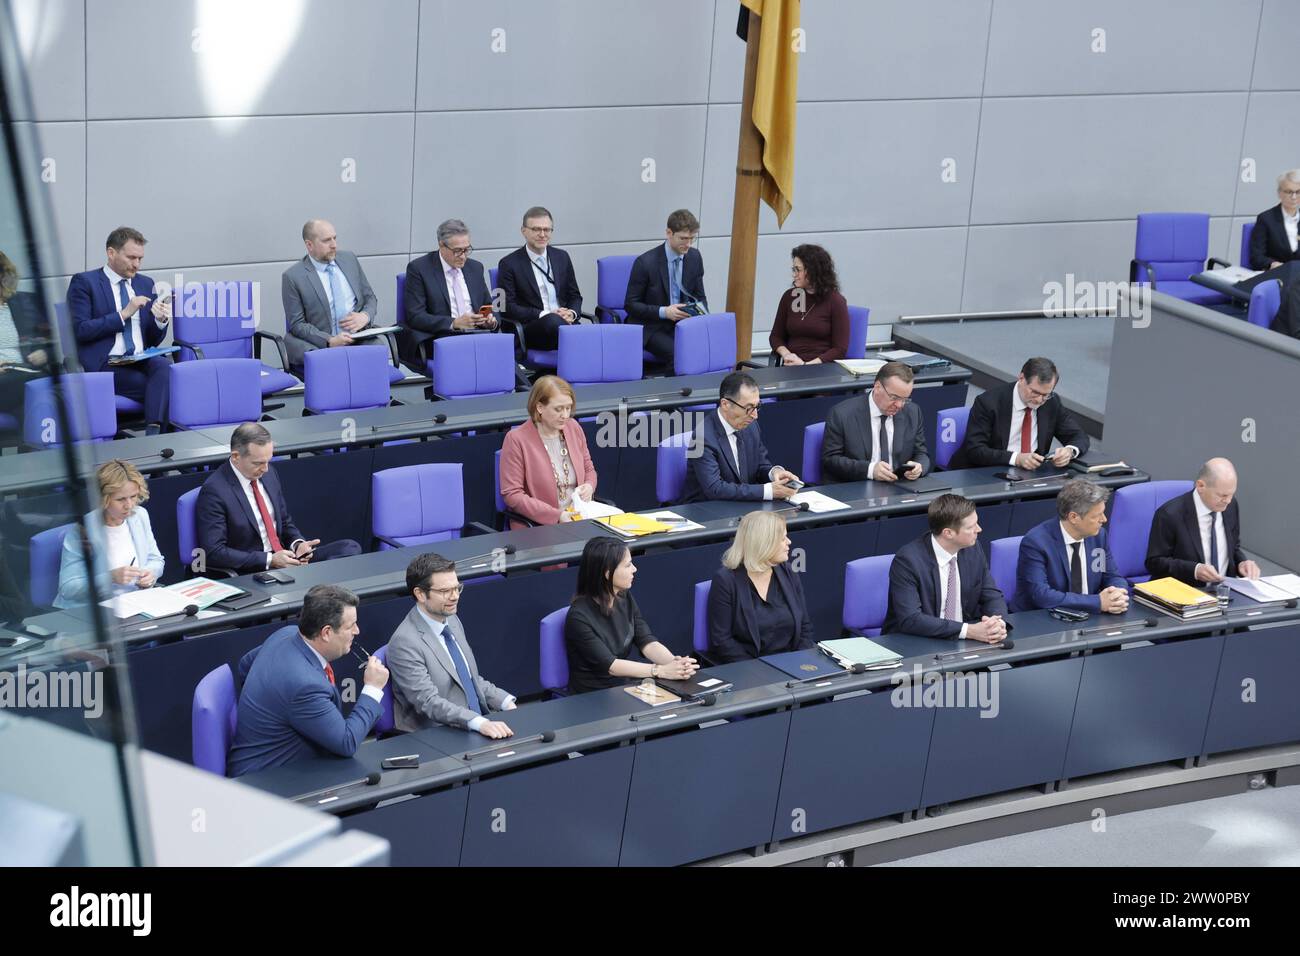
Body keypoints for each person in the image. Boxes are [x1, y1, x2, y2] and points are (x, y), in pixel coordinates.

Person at [228, 584, 388, 777]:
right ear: (326, 632)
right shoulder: (304, 685)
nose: (357, 631)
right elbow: (347, 742)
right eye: (350, 626)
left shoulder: (285, 635)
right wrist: (373, 688)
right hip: (267, 781)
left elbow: (245, 665)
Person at [195, 422, 362, 574]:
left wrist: (297, 545)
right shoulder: (214, 491)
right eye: (258, 463)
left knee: (349, 547)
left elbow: (284, 522)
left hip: (286, 558)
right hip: (255, 570)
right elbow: (214, 552)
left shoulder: (269, 475)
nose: (265, 469)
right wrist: (270, 560)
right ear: (236, 457)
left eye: (269, 460)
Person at [386, 553, 517, 738]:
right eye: (445, 591)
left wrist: (505, 702)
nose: (454, 596)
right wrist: (479, 723)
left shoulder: (452, 620)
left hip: (472, 722)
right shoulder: (404, 643)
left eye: (457, 588)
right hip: (438, 733)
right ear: (420, 594)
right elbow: (428, 702)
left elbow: (469, 679)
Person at [66, 226, 172, 432]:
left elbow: (152, 339)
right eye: (131, 257)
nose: (137, 265)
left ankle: (154, 432)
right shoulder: (85, 282)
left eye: (140, 258)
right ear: (111, 253)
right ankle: (158, 436)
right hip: (107, 363)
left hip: (139, 358)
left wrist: (160, 321)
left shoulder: (144, 283)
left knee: (165, 368)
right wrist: (124, 314)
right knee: (167, 388)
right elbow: (80, 330)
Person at [564, 537, 699, 694]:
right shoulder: (578, 617)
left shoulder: (623, 596)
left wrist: (676, 664)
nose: (634, 569)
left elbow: (647, 641)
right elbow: (611, 666)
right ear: (608, 573)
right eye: (628, 565)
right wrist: (660, 671)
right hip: (594, 695)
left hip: (625, 686)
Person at [884, 494, 1008, 642]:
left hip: (964, 640)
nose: (979, 529)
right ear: (948, 533)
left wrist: (997, 624)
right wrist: (968, 631)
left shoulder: (972, 549)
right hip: (919, 641)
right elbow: (911, 619)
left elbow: (991, 594)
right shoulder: (908, 561)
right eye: (971, 527)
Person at [54, 459, 165, 609]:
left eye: (133, 497)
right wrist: (110, 577)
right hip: (94, 613)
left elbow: (156, 559)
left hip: (134, 603)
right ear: (103, 499)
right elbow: (68, 588)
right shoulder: (83, 529)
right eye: (120, 499)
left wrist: (150, 575)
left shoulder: (140, 515)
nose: (129, 505)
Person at [281, 219, 384, 379]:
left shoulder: (349, 259)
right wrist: (329, 341)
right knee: (331, 367)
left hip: (357, 339)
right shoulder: (293, 277)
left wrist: (365, 316)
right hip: (321, 345)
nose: (334, 244)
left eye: (335, 238)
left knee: (378, 350)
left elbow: (370, 298)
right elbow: (297, 324)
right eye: (326, 240)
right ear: (309, 245)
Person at [707, 511, 814, 662]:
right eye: (783, 538)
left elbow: (804, 627)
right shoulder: (725, 580)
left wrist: (800, 661)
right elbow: (722, 641)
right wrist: (760, 669)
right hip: (749, 667)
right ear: (764, 543)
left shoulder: (788, 572)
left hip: (792, 663)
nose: (789, 542)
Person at [949, 356, 1089, 470]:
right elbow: (975, 450)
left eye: (1046, 394)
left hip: (1030, 474)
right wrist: (1016, 458)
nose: (1039, 400)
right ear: (1021, 378)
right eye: (1034, 392)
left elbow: (1078, 435)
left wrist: (1069, 451)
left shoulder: (1051, 402)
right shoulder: (988, 402)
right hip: (987, 471)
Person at [681, 371, 801, 503]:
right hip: (708, 510)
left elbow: (761, 465)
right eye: (749, 408)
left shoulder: (751, 426)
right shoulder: (702, 436)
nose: (755, 415)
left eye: (757, 406)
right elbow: (714, 489)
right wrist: (767, 491)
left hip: (742, 505)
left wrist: (774, 473)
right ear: (725, 404)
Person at [1015, 479, 1129, 614]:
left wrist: (1117, 593)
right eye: (1097, 515)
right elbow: (1041, 595)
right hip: (1047, 617)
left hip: (1090, 615)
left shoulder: (1098, 536)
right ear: (1073, 517)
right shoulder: (1036, 543)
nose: (1104, 519)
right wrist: (1098, 602)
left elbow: (1110, 575)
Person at [399, 218, 500, 371]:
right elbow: (415, 316)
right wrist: (454, 323)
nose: (463, 256)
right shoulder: (419, 269)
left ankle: (526, 391)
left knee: (502, 355)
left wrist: (490, 321)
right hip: (443, 337)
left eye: (467, 249)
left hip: (478, 334)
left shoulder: (475, 268)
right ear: (441, 245)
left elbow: (490, 305)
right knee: (481, 361)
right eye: (458, 250)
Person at [499, 375, 597, 528]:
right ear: (540, 408)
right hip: (538, 526)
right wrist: (557, 516)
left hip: (579, 517)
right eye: (558, 409)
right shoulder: (516, 439)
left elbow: (588, 468)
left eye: (568, 407)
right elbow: (512, 495)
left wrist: (590, 485)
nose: (565, 415)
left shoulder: (574, 428)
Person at [1146, 457, 1260, 586]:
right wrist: (1194, 570)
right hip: (1184, 593)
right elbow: (1154, 563)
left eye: (1231, 494)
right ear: (1200, 486)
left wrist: (1242, 562)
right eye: (1222, 495)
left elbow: (1233, 547)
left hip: (1225, 593)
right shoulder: (1170, 514)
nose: (1228, 501)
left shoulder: (1230, 506)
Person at [821, 361, 931, 482]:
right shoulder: (842, 414)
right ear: (877, 387)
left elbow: (921, 453)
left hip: (900, 487)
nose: (900, 405)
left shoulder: (913, 412)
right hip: (856, 487)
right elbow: (830, 460)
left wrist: (919, 467)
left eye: (905, 399)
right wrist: (870, 470)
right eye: (894, 398)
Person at [624, 208, 706, 368]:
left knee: (707, 348)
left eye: (692, 239)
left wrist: (702, 315)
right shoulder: (646, 263)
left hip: (684, 323)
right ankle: (675, 393)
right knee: (679, 354)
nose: (688, 244)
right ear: (669, 233)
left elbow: (700, 296)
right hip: (652, 326)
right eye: (683, 238)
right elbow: (631, 305)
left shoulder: (694, 257)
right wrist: (665, 312)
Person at [496, 206, 584, 351]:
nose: (542, 234)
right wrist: (545, 314)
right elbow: (505, 307)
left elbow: (575, 296)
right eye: (536, 229)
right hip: (532, 328)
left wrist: (571, 313)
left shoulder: (562, 257)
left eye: (547, 230)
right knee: (553, 321)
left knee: (594, 334)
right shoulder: (508, 263)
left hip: (565, 325)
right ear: (523, 231)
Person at [768, 244, 849, 365]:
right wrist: (787, 355)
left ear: (813, 270)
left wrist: (806, 365)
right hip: (791, 366)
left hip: (822, 369)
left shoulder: (836, 301)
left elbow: (839, 349)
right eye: (793, 269)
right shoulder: (790, 297)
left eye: (798, 269)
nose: (794, 274)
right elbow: (775, 336)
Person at [0, 250, 50, 413]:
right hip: (7, 380)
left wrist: (44, 353)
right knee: (38, 387)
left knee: (31, 399)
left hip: (23, 372)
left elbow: (48, 341)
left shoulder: (21, 304)